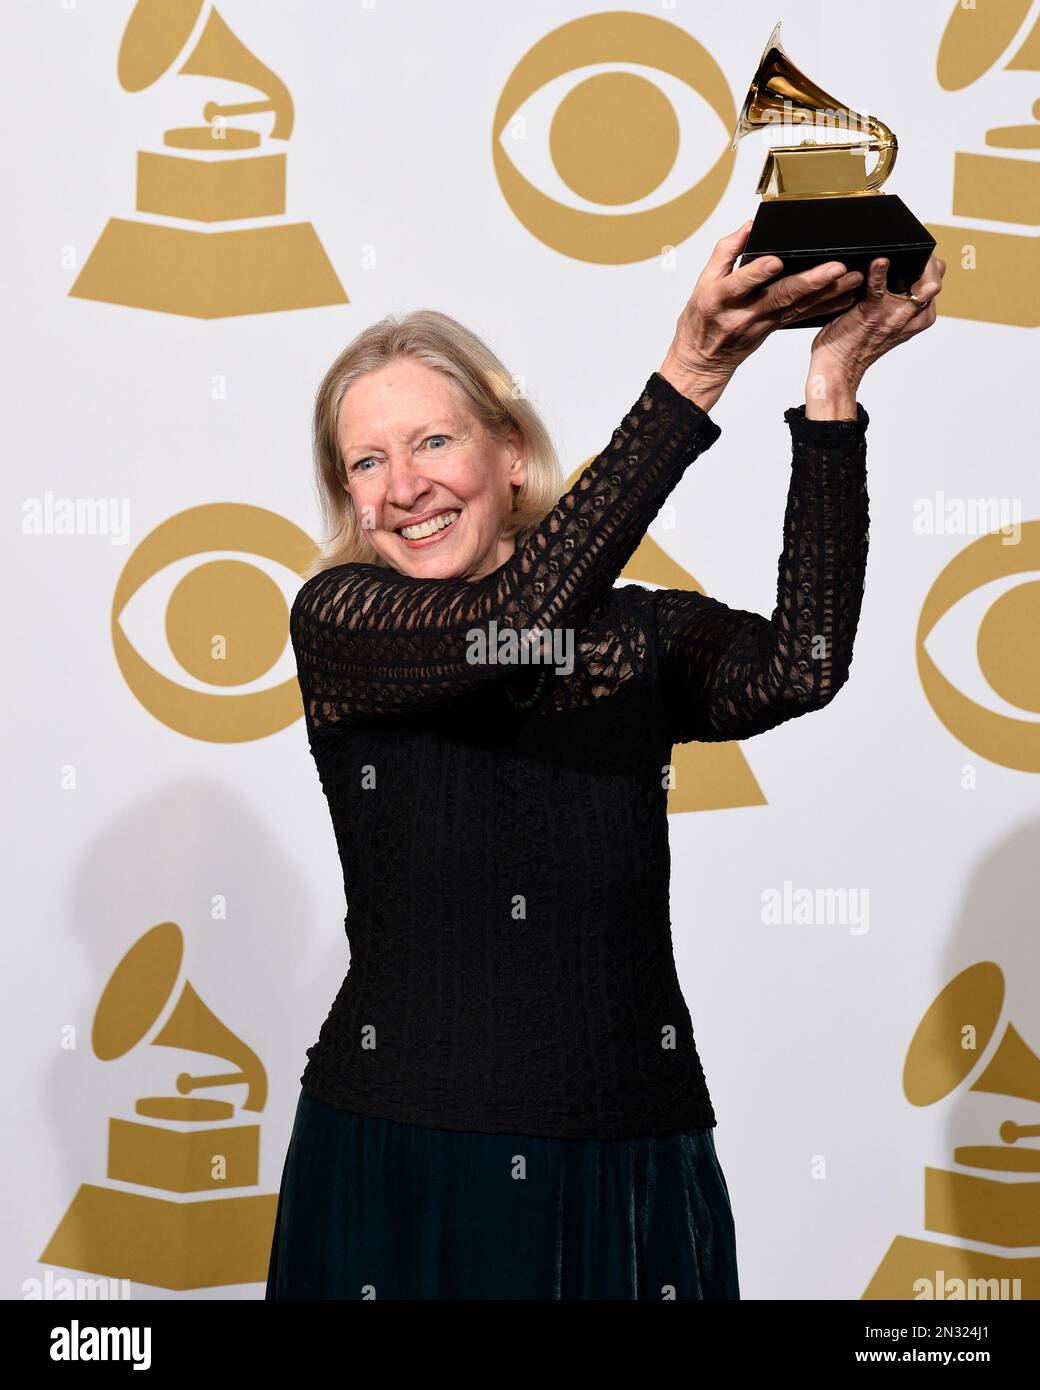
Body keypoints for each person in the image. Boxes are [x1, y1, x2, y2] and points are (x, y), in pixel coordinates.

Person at [266, 222, 945, 1300]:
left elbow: (801, 664)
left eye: (433, 443)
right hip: (410, 1154)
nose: (403, 486)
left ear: (508, 454)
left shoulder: (629, 637)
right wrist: (695, 366)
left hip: (637, 1152)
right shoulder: (341, 621)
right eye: (365, 461)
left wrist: (830, 388)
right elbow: (517, 617)